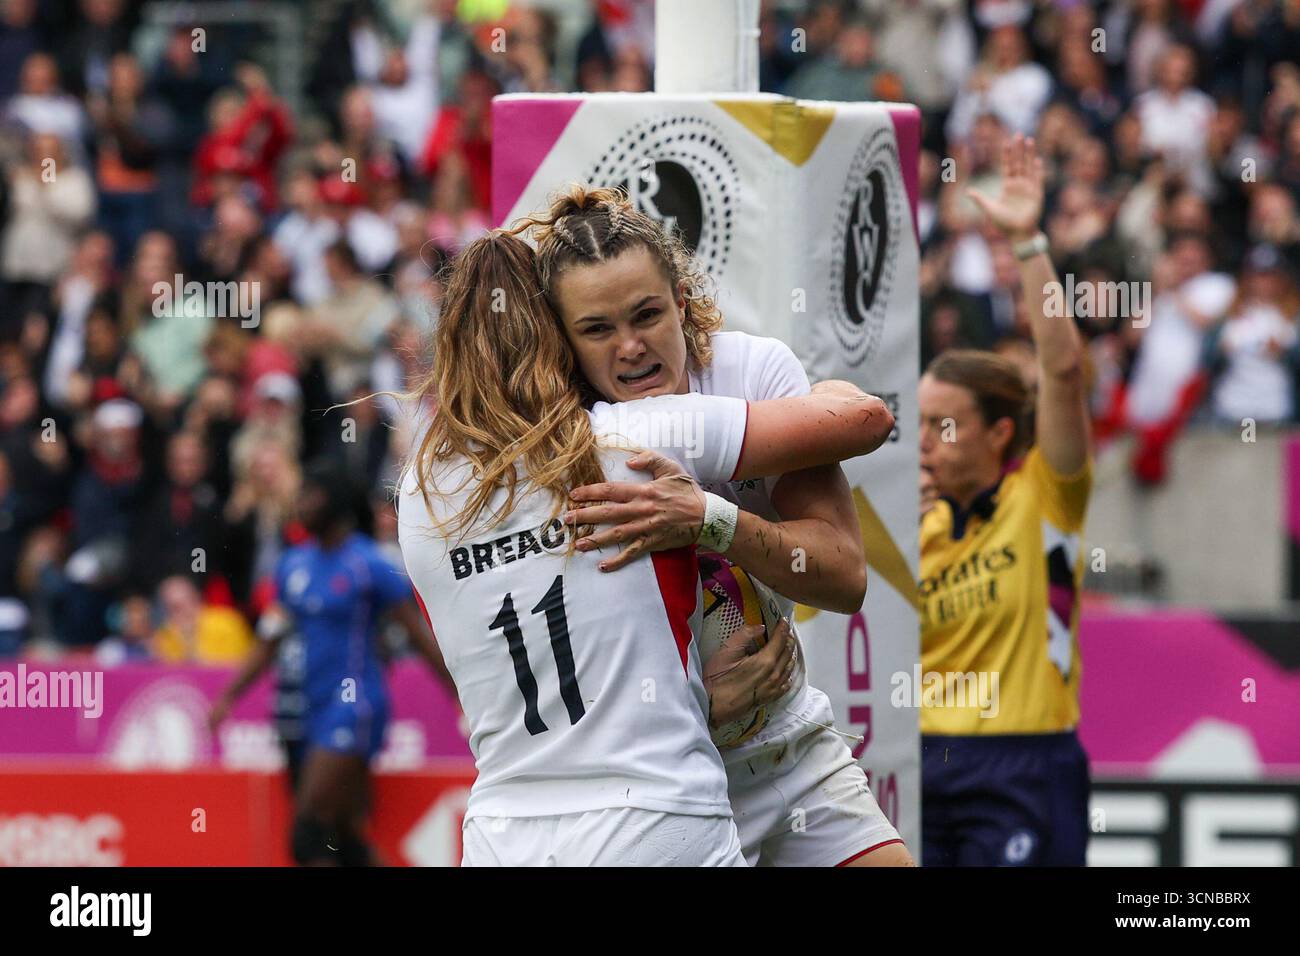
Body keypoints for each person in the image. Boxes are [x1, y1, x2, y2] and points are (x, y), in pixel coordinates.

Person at [396, 231, 895, 866]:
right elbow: (867, 421)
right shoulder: (622, 434)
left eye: (647, 314)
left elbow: (844, 577)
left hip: (516, 823)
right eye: (597, 328)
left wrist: (709, 520)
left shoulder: (418, 490)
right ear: (561, 341)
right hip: (667, 799)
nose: (630, 346)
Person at [918, 134, 1093, 866]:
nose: (923, 440)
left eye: (943, 425)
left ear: (998, 432)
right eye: (919, 424)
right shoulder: (912, 524)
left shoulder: (1046, 496)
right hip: (921, 764)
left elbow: (1063, 371)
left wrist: (1026, 245)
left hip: (1026, 764)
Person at [210, 459, 452, 866]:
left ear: (336, 502)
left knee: (308, 833)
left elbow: (418, 636)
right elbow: (270, 639)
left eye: (311, 495)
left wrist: (460, 693)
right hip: (307, 707)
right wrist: (228, 696)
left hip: (353, 707)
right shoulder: (292, 565)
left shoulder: (369, 563)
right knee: (344, 838)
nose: (301, 503)